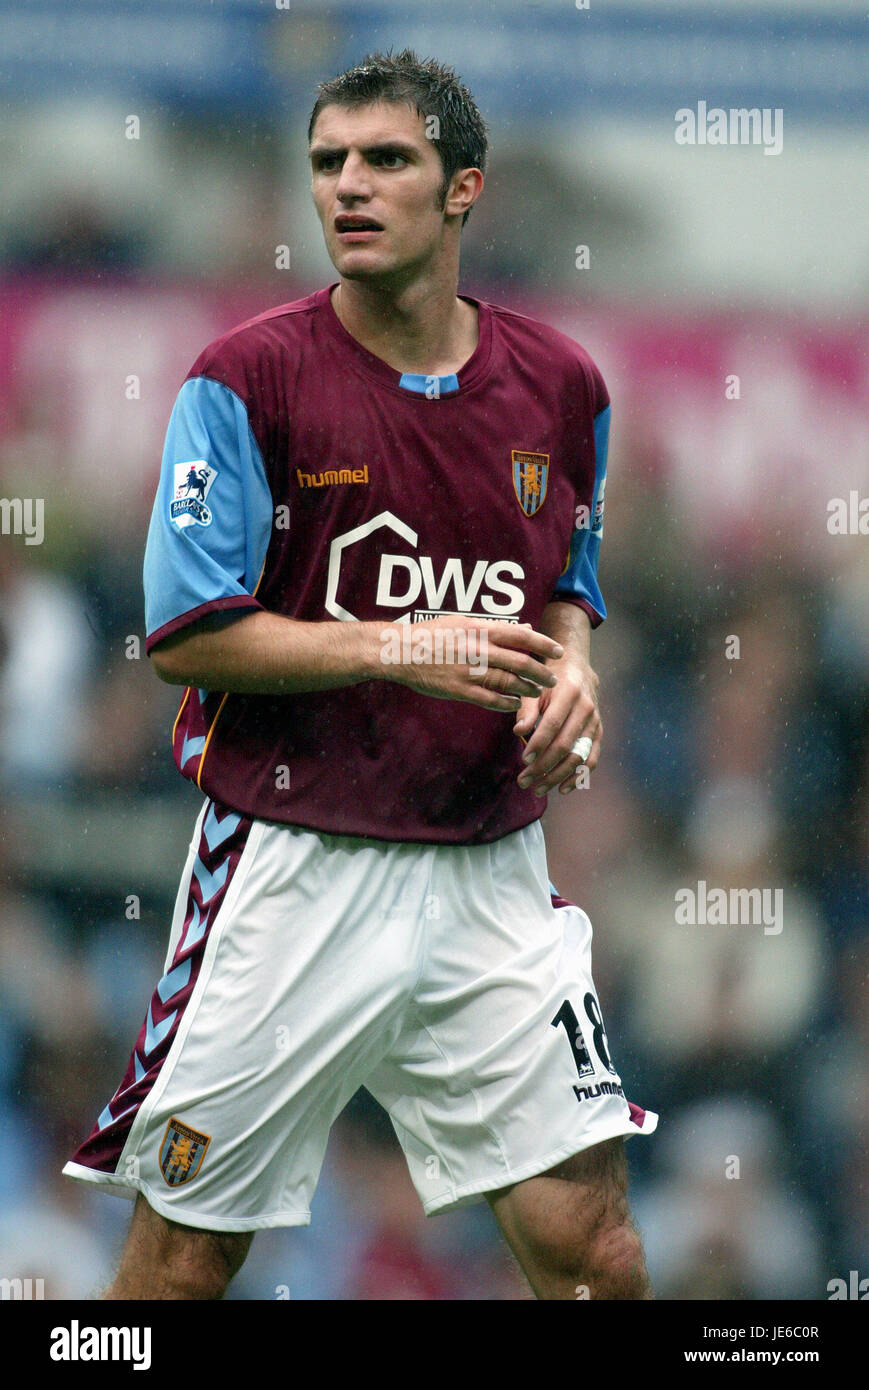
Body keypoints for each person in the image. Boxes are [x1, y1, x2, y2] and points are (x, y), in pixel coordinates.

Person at [63, 49, 657, 1301]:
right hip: (292, 863)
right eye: (327, 161)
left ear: (463, 189)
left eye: (386, 159)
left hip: (492, 867)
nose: (347, 185)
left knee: (594, 1250)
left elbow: (567, 586)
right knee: (181, 1262)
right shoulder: (246, 379)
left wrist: (575, 675)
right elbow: (183, 634)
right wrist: (404, 644)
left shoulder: (562, 386)